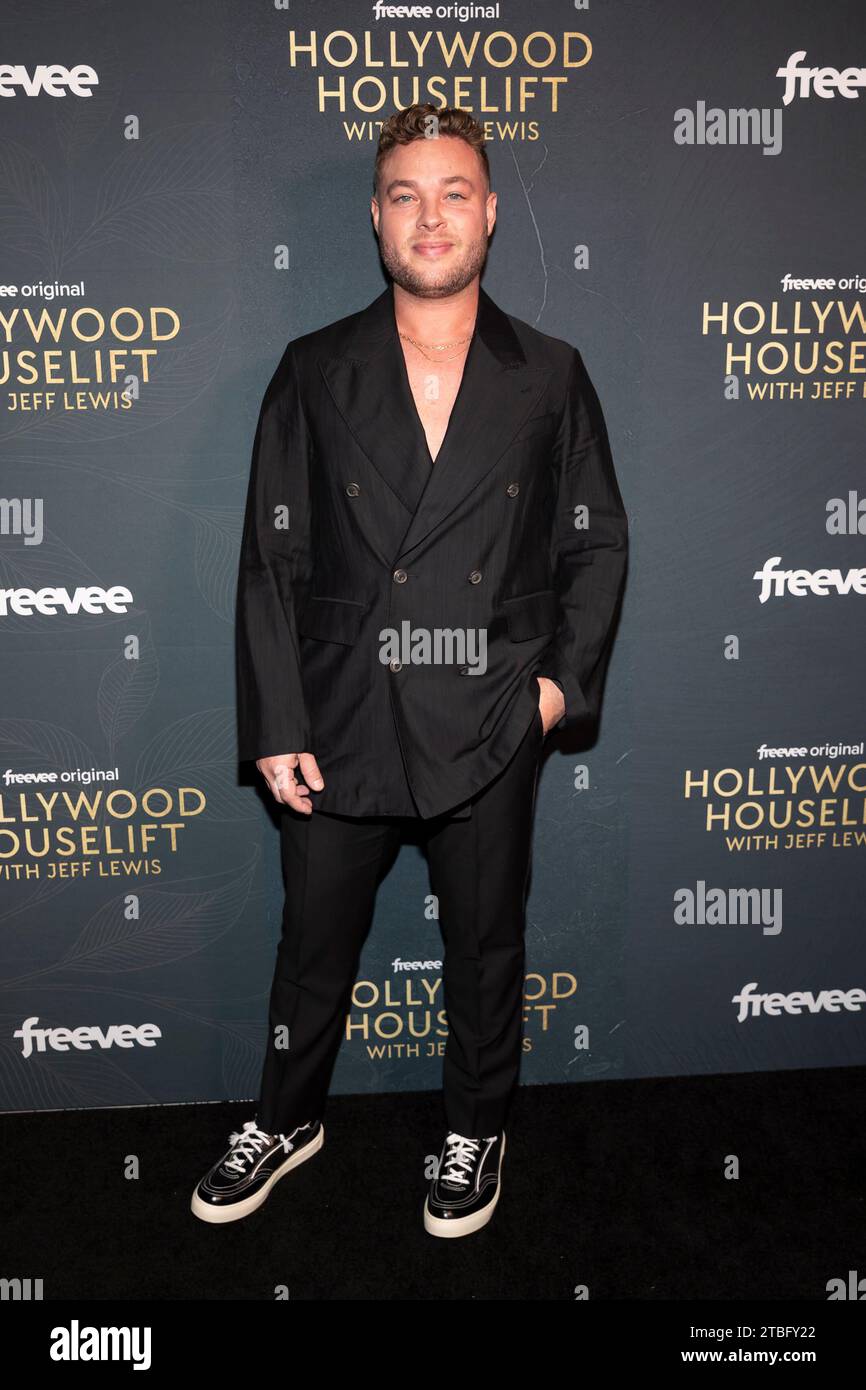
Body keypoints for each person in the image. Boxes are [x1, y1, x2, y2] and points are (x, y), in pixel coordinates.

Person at [191, 103, 628, 1236]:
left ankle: (473, 1129)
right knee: (310, 949)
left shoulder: (549, 374)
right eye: (403, 195)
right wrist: (275, 718)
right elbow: (270, 557)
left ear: (486, 213)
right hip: (338, 716)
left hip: (489, 714)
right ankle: (287, 1117)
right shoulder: (311, 368)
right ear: (375, 219)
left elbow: (594, 542)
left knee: (485, 947)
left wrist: (549, 689)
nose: (428, 217)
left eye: (451, 194)